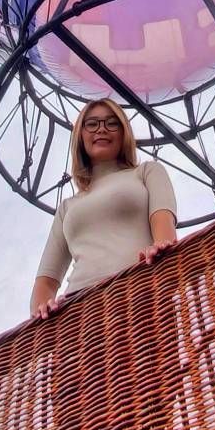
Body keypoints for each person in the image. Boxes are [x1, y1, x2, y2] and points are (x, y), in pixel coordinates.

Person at [29, 99, 178, 319]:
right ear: (80, 135)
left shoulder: (148, 172)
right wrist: (41, 311)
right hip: (79, 313)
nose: (101, 129)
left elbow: (164, 236)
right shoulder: (67, 207)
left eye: (112, 123)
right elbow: (46, 280)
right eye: (92, 124)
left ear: (123, 132)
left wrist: (158, 248)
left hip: (141, 291)